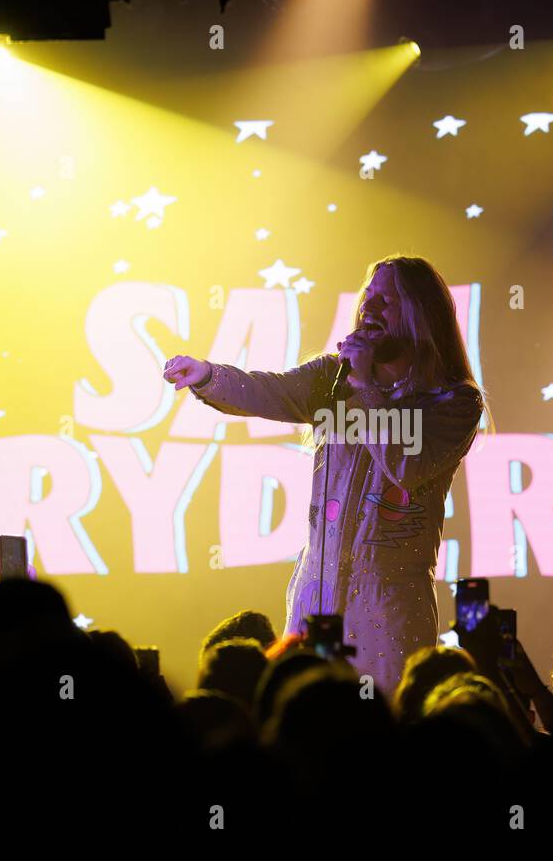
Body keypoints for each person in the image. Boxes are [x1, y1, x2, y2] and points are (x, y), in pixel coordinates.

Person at [164, 255, 485, 694]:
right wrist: (208, 376)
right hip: (317, 590)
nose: (369, 309)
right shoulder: (330, 378)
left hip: (388, 606)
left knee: (381, 729)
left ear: (420, 313)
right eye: (367, 297)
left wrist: (362, 385)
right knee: (306, 724)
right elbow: (268, 391)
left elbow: (406, 465)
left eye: (387, 301)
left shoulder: (452, 400)